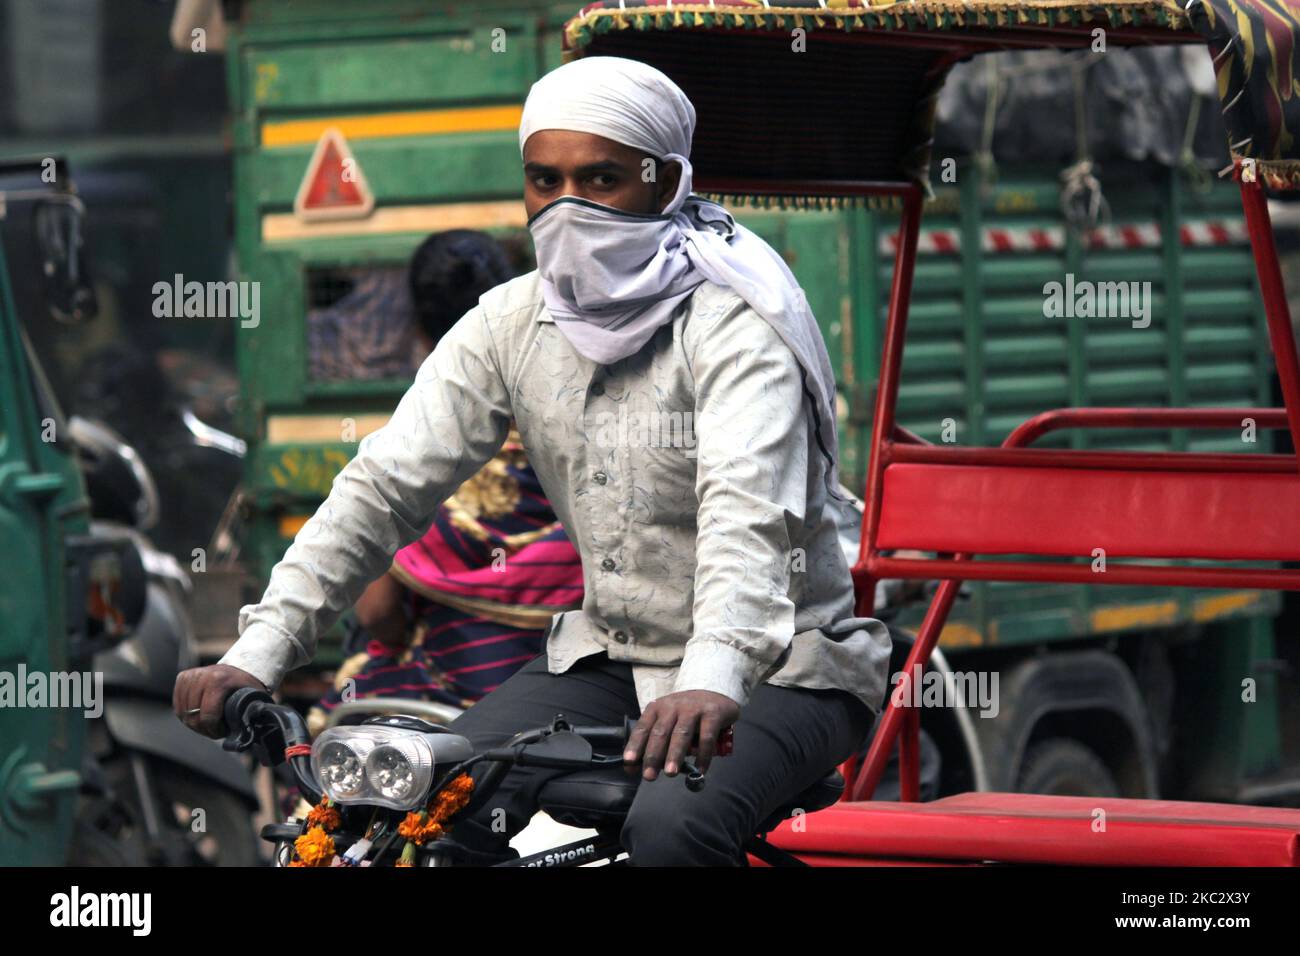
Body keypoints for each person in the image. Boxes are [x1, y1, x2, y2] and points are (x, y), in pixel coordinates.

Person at [175, 56, 892, 866]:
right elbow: (380, 488)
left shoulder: (736, 324)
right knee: (428, 799)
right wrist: (255, 654)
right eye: (544, 182)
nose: (567, 209)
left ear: (668, 185)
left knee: (671, 831)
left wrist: (714, 676)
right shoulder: (510, 323)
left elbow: (747, 514)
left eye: (602, 179)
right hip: (614, 657)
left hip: (788, 665)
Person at [309, 232, 584, 734]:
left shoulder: (412, 453)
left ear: (416, 328)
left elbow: (378, 612)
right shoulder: (580, 442)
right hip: (575, 702)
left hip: (443, 704)